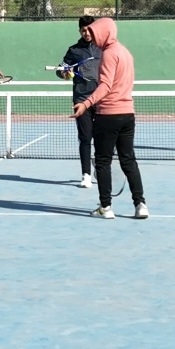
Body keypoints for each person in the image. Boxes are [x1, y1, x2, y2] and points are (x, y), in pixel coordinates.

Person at [73, 17, 146, 219]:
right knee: (129, 160)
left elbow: (105, 86)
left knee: (103, 162)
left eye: (95, 33)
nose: (93, 38)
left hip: (108, 115)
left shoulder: (108, 54)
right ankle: (140, 204)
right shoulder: (126, 53)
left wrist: (85, 104)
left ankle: (105, 207)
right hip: (128, 114)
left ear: (104, 33)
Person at [58, 16, 103, 186]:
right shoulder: (73, 50)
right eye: (83, 30)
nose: (87, 33)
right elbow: (62, 69)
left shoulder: (103, 48)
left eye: (89, 29)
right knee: (85, 138)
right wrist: (64, 73)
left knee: (102, 139)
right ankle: (86, 174)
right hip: (81, 100)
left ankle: (100, 167)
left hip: (101, 99)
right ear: (79, 31)